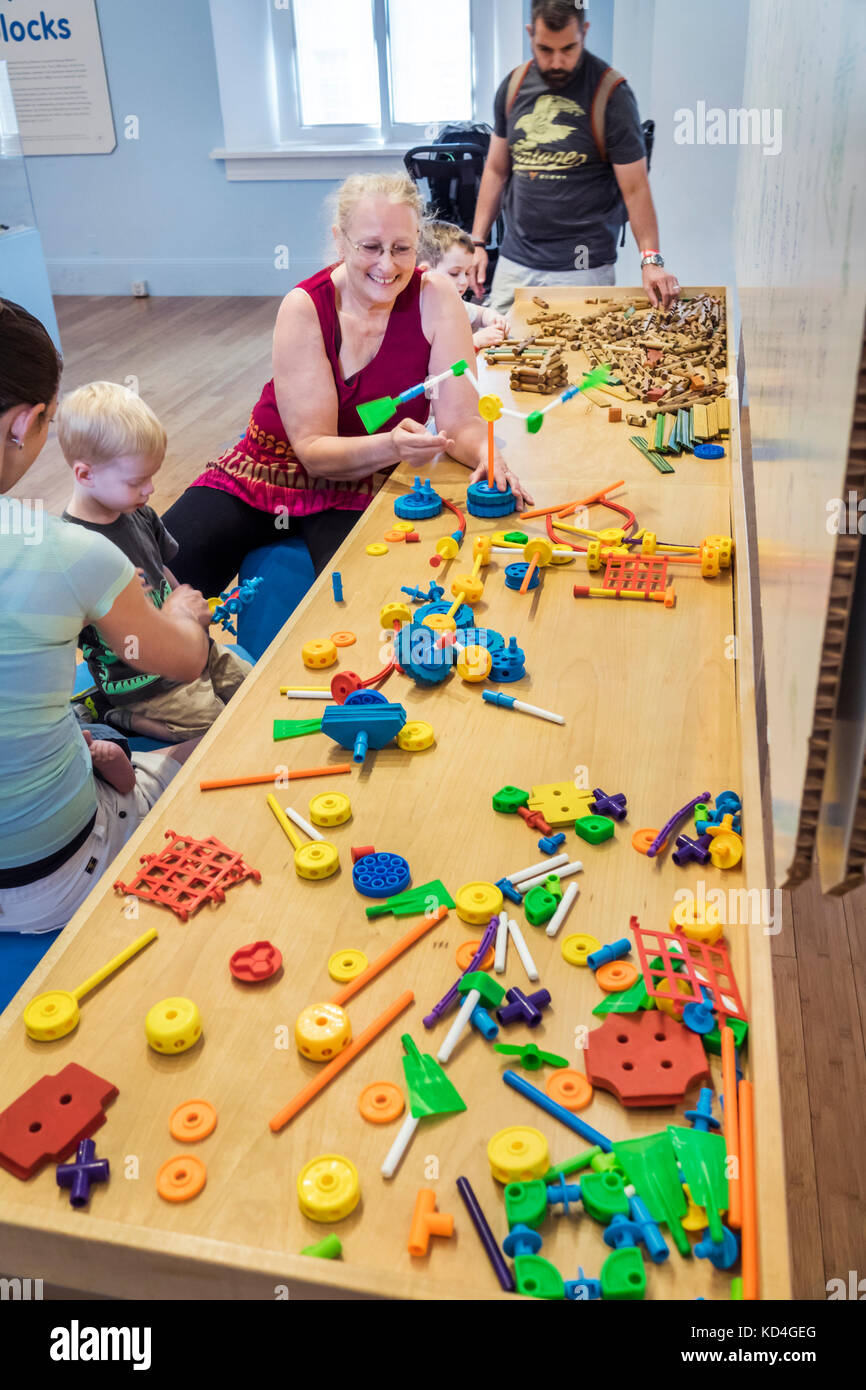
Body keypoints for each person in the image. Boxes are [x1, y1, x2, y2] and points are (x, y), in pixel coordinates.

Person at [163, 172, 532, 600]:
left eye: (401, 248)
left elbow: (461, 421)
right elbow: (314, 451)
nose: (388, 265)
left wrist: (489, 455)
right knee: (155, 582)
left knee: (372, 603)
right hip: (266, 469)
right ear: (339, 241)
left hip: (362, 477)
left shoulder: (436, 298)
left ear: (418, 241)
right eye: (371, 247)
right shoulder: (305, 306)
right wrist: (393, 446)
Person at [0, 299, 212, 958]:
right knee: (200, 747)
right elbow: (183, 661)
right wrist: (182, 617)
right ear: (26, 424)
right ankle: (150, 770)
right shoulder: (62, 551)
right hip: (47, 882)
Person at [58, 381, 251, 742]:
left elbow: (161, 567)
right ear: (85, 474)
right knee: (213, 728)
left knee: (252, 686)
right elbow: (66, 629)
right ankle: (115, 714)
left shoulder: (138, 513)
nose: (150, 490)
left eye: (151, 477)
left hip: (186, 645)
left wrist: (193, 609)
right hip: (138, 681)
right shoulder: (73, 549)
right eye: (137, 481)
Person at [469, 0, 680, 316]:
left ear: (585, 31)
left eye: (568, 49)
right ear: (530, 33)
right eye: (544, 49)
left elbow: (635, 189)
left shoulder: (612, 95)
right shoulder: (512, 88)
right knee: (497, 356)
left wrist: (650, 260)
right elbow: (497, 170)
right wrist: (477, 242)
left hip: (584, 267)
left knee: (580, 360)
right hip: (516, 263)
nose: (556, 62)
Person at [418, 220, 510, 350]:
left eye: (467, 273)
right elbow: (438, 362)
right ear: (424, 272)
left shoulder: (451, 302)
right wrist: (474, 341)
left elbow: (481, 314)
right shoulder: (418, 312)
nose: (463, 281)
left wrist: (494, 319)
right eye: (454, 273)